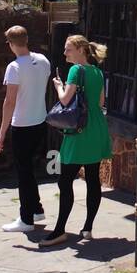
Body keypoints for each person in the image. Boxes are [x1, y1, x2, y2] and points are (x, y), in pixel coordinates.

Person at [39, 35, 112, 247]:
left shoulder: (76, 70)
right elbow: (100, 102)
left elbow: (65, 99)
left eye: (68, 49)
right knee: (92, 177)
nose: (65, 54)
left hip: (81, 130)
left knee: (65, 180)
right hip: (96, 127)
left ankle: (60, 230)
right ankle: (88, 227)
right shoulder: (97, 72)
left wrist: (58, 85)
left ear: (80, 50)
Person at [0, 25, 51, 233]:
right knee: (29, 168)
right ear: (26, 40)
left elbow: (9, 101)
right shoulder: (43, 61)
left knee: (23, 172)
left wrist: (1, 132)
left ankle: (26, 219)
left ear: (10, 44)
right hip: (40, 120)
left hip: (22, 124)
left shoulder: (15, 67)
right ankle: (36, 208)